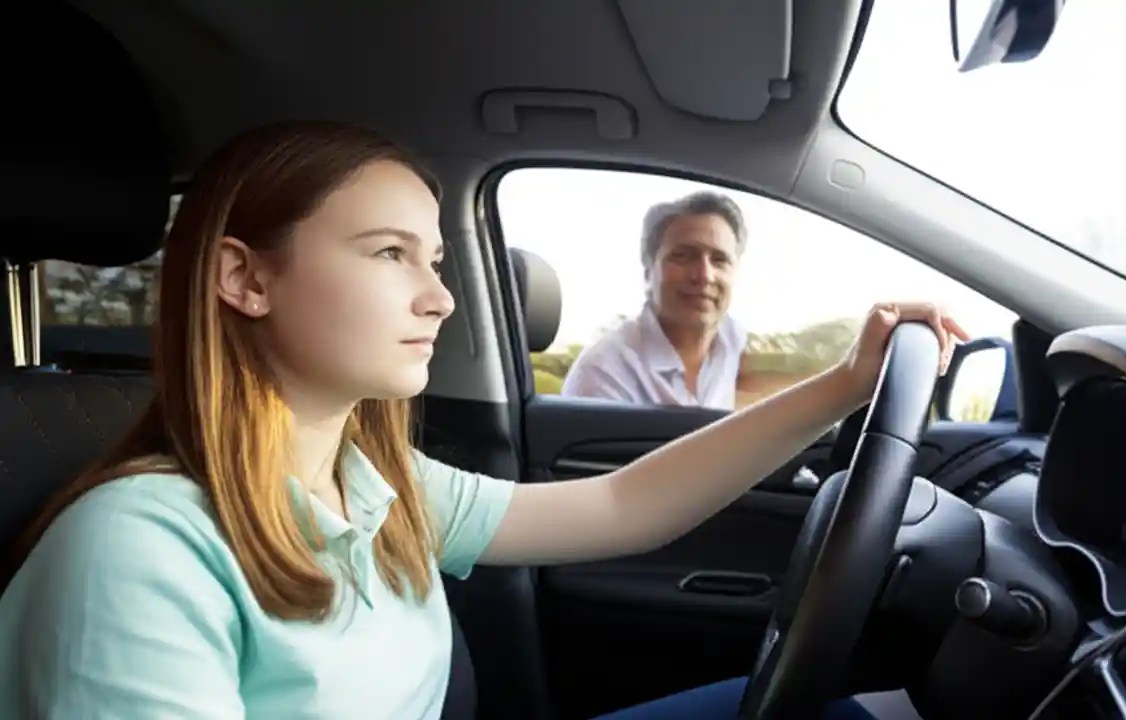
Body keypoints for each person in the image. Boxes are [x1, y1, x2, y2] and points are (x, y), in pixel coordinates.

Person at [0, 121, 966, 719]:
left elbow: (624, 506)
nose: (441, 299)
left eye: (433, 260)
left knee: (873, 712)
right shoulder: (133, 554)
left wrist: (846, 383)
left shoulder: (381, 489)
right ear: (244, 279)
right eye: (389, 254)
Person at [561, 192, 749, 410]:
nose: (705, 275)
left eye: (719, 260)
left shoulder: (731, 340)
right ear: (648, 272)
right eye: (683, 256)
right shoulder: (604, 372)